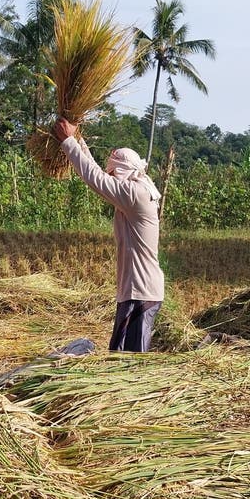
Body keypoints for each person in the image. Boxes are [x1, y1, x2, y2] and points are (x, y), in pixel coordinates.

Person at [53, 117, 164, 353]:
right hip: (135, 291)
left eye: (113, 173)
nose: (111, 177)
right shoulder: (136, 188)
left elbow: (96, 179)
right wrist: (78, 139)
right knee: (119, 354)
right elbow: (97, 173)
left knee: (130, 360)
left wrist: (68, 142)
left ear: (123, 171)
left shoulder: (135, 193)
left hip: (141, 292)